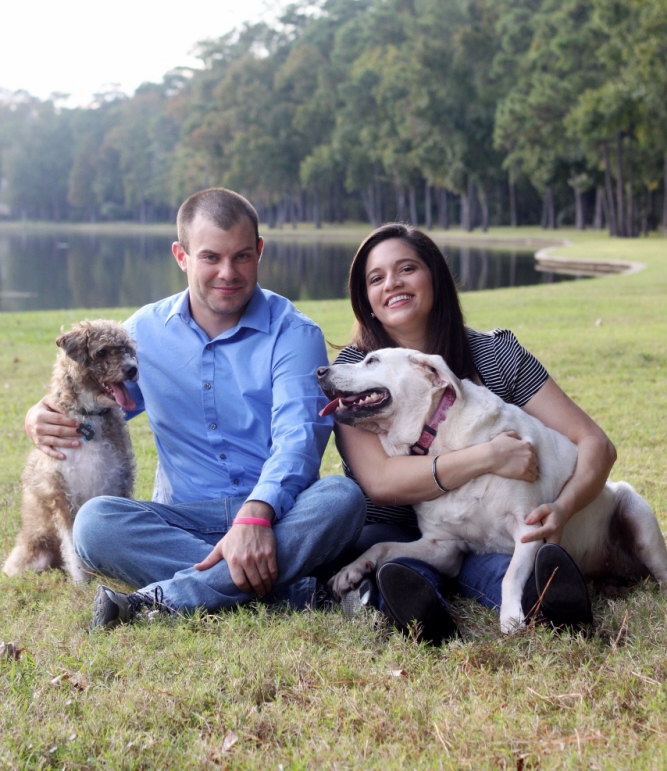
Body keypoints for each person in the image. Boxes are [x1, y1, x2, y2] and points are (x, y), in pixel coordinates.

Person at [24, 188, 366, 627]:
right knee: (94, 523)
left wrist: (256, 515)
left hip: (278, 517)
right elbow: (97, 400)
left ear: (259, 251)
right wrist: (39, 415)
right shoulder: (143, 332)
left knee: (342, 498)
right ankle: (292, 592)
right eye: (210, 257)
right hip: (181, 520)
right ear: (181, 256)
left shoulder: (295, 334)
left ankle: (164, 598)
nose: (228, 273)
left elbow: (298, 443)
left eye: (242, 257)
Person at [327, 223, 617, 643]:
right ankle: (414, 608)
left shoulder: (495, 354)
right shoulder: (356, 376)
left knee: (493, 564)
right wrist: (490, 456)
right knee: (399, 564)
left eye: (406, 268)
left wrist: (563, 508)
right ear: (366, 298)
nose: (392, 284)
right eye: (376, 278)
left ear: (436, 278)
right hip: (397, 527)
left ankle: (545, 600)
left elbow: (595, 443)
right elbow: (382, 482)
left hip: (485, 533)